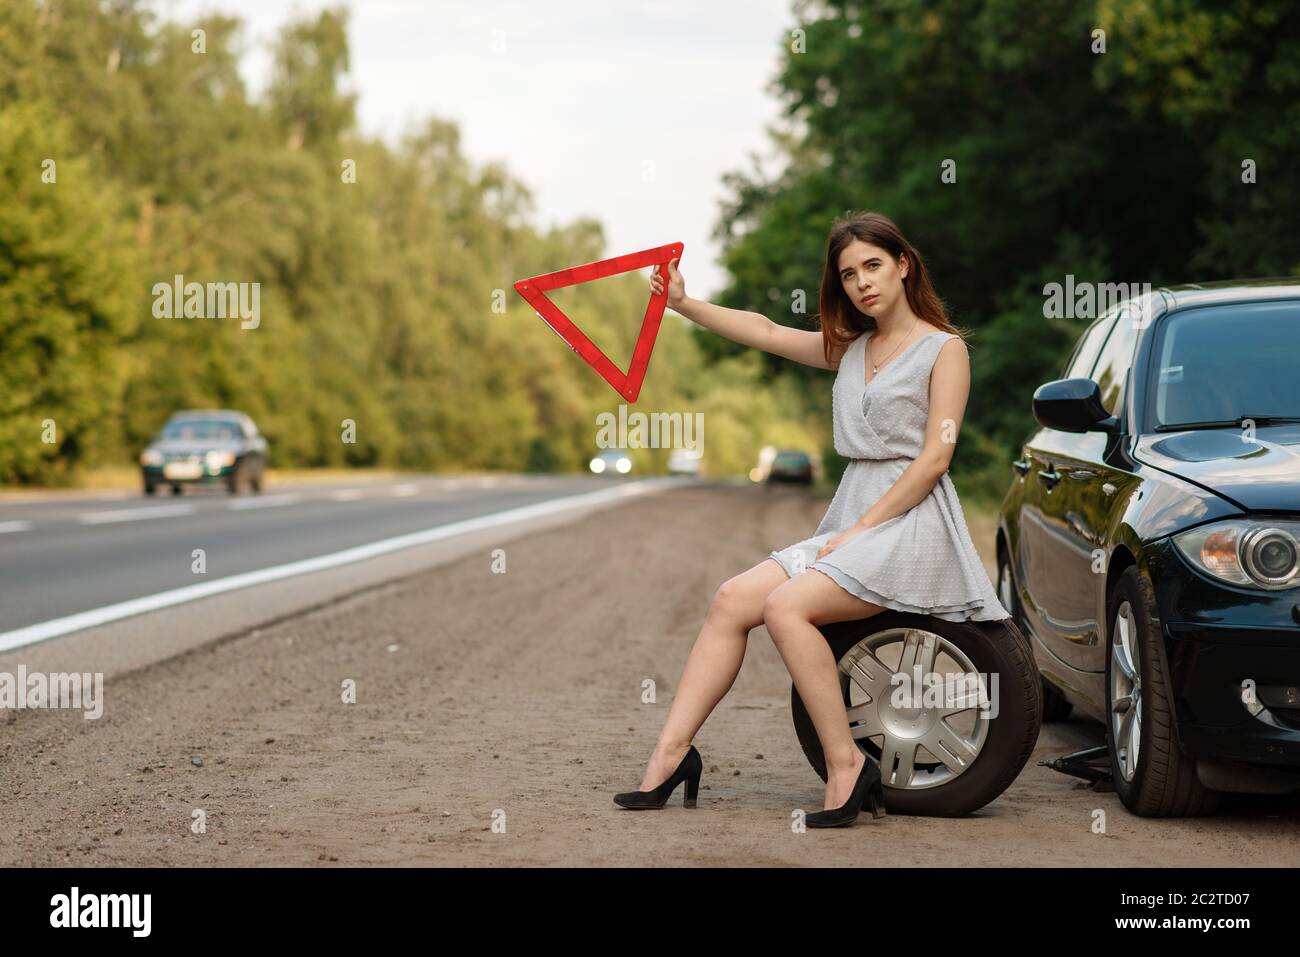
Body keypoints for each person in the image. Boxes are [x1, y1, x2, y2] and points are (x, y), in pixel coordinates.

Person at [612, 210, 1011, 826]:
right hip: (855, 508)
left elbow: (935, 457)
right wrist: (684, 304)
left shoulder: (944, 350)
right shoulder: (851, 349)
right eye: (849, 274)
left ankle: (847, 765)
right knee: (730, 601)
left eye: (874, 266)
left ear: (904, 266)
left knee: (785, 607)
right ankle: (671, 755)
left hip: (908, 518)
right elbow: (767, 331)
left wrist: (860, 530)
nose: (862, 283)